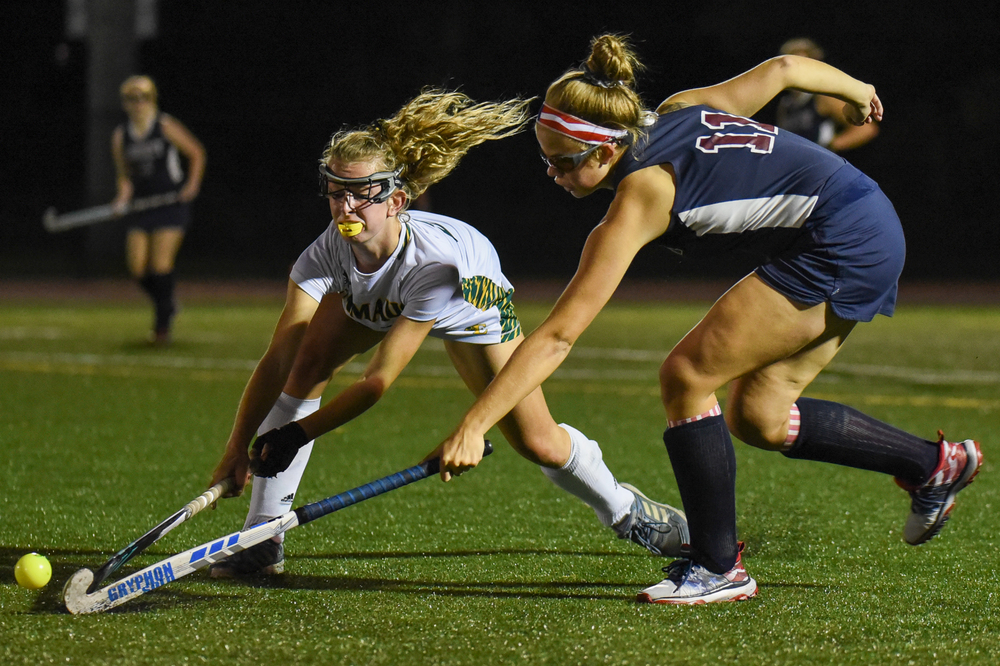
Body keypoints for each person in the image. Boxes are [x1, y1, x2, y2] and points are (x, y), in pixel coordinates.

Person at [431, 34, 983, 605]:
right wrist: (857, 89)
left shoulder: (642, 194)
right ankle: (933, 464)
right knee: (759, 417)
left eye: (562, 161)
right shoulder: (681, 107)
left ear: (603, 151)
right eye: (542, 157)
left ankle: (718, 567)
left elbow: (558, 336)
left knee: (686, 376)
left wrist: (475, 424)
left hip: (842, 238)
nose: (551, 172)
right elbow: (788, 68)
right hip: (860, 220)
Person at [208, 89, 688, 577]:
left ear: (397, 200)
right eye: (336, 192)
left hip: (469, 305)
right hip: (382, 291)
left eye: (361, 193)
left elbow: (376, 383)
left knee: (536, 441)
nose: (346, 208)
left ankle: (626, 511)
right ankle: (263, 536)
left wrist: (297, 434)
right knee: (305, 365)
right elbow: (276, 359)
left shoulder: (436, 267)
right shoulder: (325, 252)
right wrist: (237, 447)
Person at [112, 75, 206, 345]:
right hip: (142, 207)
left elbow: (196, 152)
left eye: (143, 97)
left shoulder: (165, 126)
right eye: (132, 98)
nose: (138, 103)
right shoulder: (121, 136)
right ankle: (167, 302)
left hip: (170, 205)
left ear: (152, 99)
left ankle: (161, 328)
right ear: (125, 103)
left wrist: (191, 185)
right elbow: (124, 177)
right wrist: (121, 199)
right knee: (138, 269)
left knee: (161, 265)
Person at [774, 38, 879, 153]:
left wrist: (830, 147)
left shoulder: (822, 98)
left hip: (818, 165)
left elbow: (866, 129)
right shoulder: (785, 104)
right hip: (798, 165)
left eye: (801, 64)